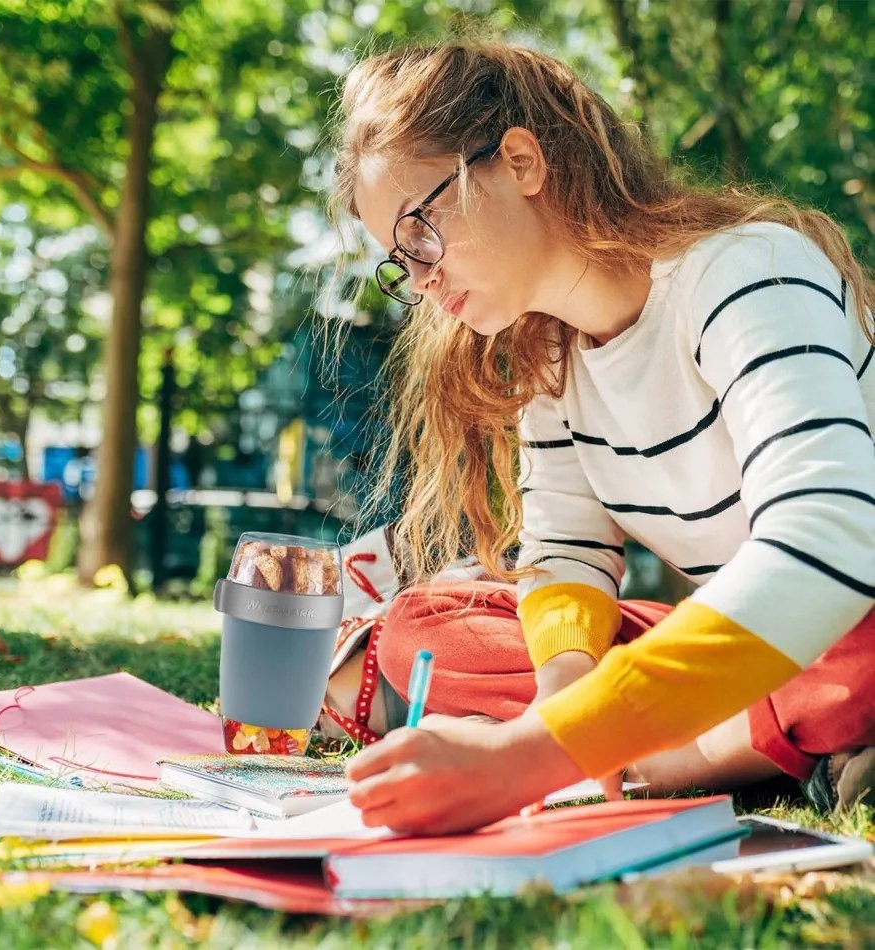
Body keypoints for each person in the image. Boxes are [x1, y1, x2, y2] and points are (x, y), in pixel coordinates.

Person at [326, 40, 875, 834]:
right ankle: (777, 744)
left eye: (419, 231)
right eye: (397, 260)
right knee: (425, 626)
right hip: (777, 650)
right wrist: (560, 697)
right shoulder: (548, 357)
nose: (418, 278)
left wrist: (530, 756)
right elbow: (567, 559)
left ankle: (716, 745)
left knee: (851, 645)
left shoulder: (745, 272)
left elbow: (832, 541)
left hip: (847, 603)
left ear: (519, 161)